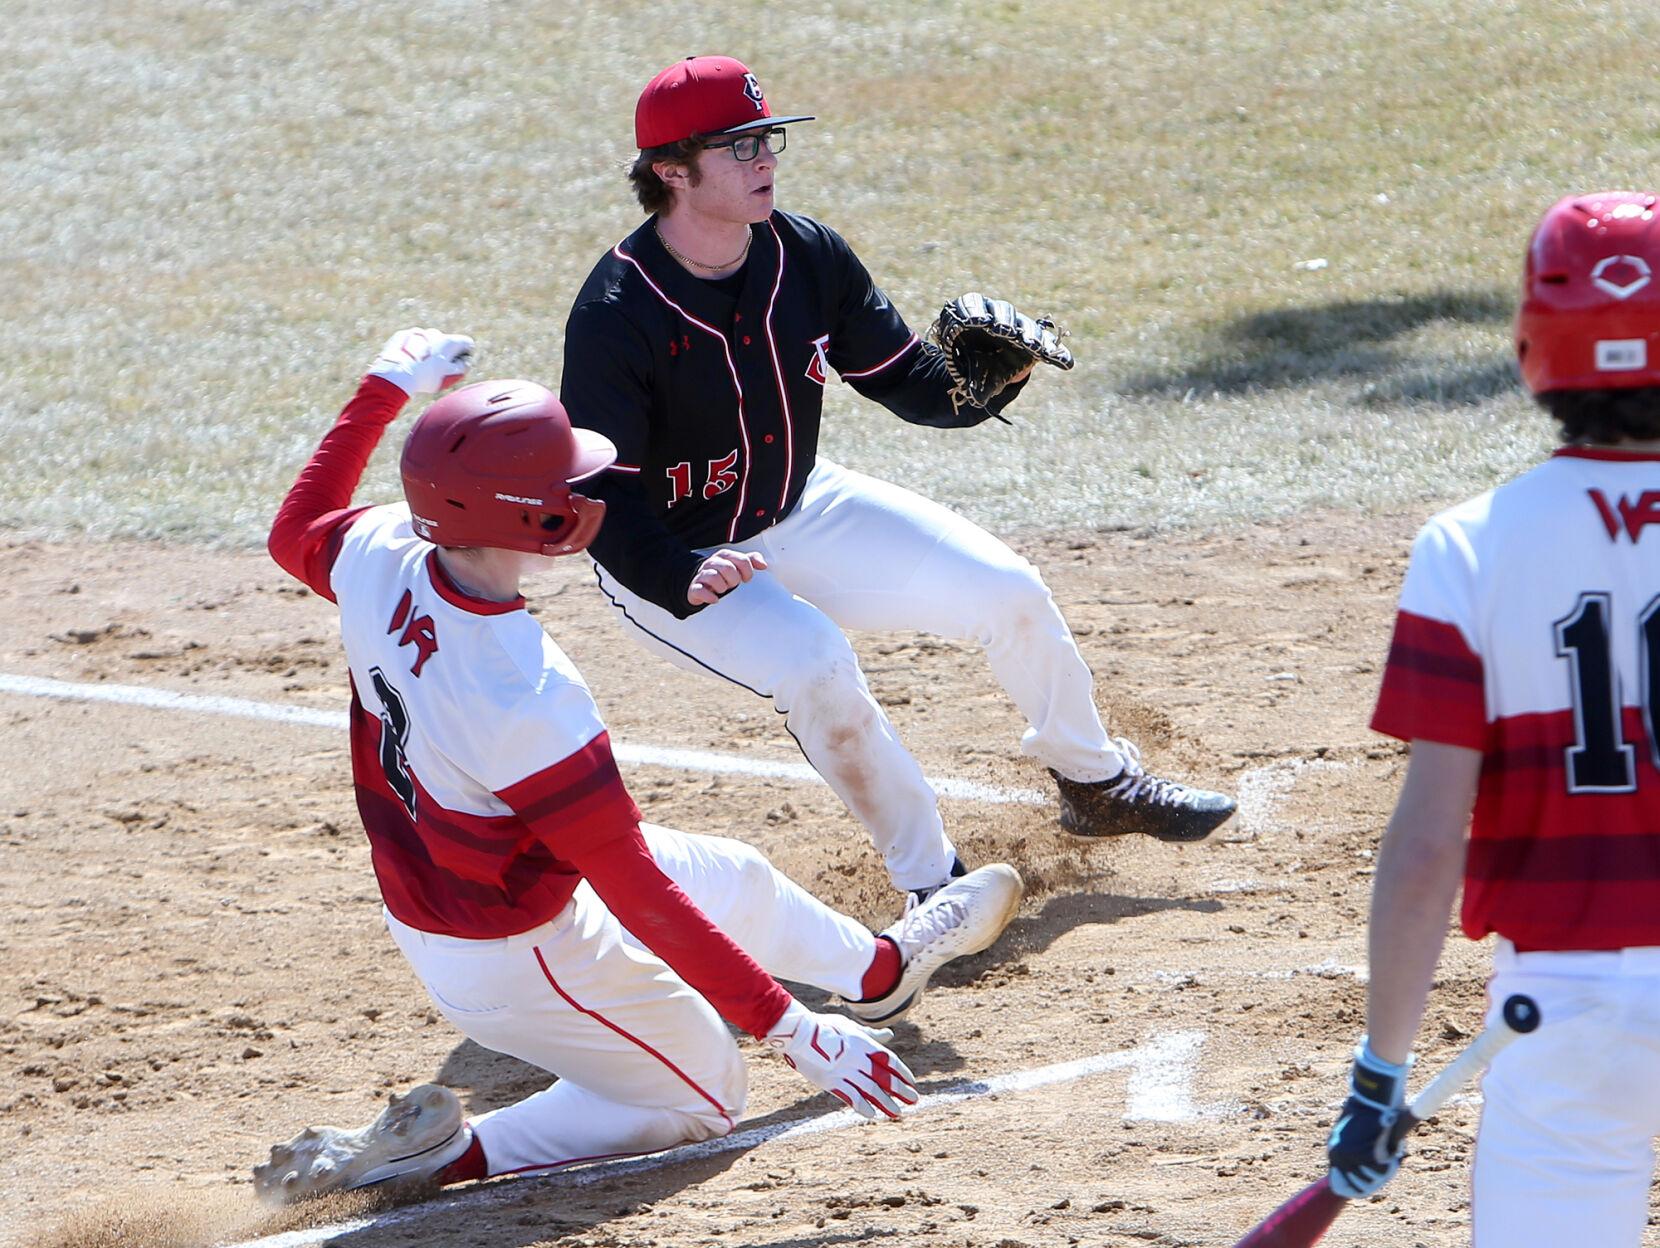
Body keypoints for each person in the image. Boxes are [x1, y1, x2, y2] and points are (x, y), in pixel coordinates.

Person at [252, 328, 1023, 1201]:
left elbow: (293, 528)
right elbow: (633, 893)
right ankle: (442, 1155)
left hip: (466, 876)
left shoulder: (383, 551)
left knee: (734, 877)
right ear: (525, 512)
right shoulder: (524, 695)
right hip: (509, 944)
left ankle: (881, 975)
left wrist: (386, 385)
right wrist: (795, 1031)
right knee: (702, 1096)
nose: (586, 486)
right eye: (565, 479)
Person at [559, 55, 1236, 907]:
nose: (766, 160)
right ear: (671, 172)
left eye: (767, 139)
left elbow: (909, 383)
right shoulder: (616, 315)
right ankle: (935, 887)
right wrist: (677, 574)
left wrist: (992, 381)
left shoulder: (806, 255)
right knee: (816, 665)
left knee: (1009, 590)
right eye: (739, 148)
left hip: (799, 505)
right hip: (671, 555)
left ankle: (1096, 784)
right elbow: (599, 499)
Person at [1324, 190, 1660, 1246]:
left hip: (1567, 1016)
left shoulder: (1468, 547)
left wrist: (1382, 1072)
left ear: (1533, 344)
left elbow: (1428, 846)